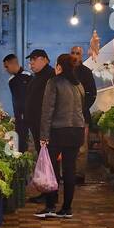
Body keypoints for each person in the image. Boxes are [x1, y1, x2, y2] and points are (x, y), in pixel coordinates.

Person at [38, 53, 85, 218]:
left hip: (59, 131)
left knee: (51, 169)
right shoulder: (78, 85)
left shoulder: (53, 82)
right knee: (70, 169)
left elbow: (47, 111)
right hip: (76, 131)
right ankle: (67, 209)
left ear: (60, 66)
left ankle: (50, 206)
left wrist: (43, 135)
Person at [25, 49, 54, 201]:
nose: (31, 63)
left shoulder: (50, 76)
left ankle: (49, 193)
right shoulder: (38, 76)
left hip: (44, 126)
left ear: (44, 59)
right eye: (30, 61)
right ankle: (46, 191)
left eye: (34, 60)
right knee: (42, 157)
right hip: (36, 124)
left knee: (47, 158)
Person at [69, 44, 97, 179]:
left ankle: (79, 174)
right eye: (73, 53)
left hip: (82, 116)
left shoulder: (86, 72)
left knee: (81, 147)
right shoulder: (65, 71)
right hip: (66, 117)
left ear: (82, 56)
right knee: (67, 146)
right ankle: (68, 173)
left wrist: (82, 107)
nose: (74, 55)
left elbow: (92, 93)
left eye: (77, 53)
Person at [3, 53, 33, 152]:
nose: (5, 69)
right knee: (21, 139)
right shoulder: (11, 81)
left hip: (31, 113)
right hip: (19, 116)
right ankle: (22, 158)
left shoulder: (28, 76)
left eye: (6, 66)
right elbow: (16, 99)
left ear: (13, 64)